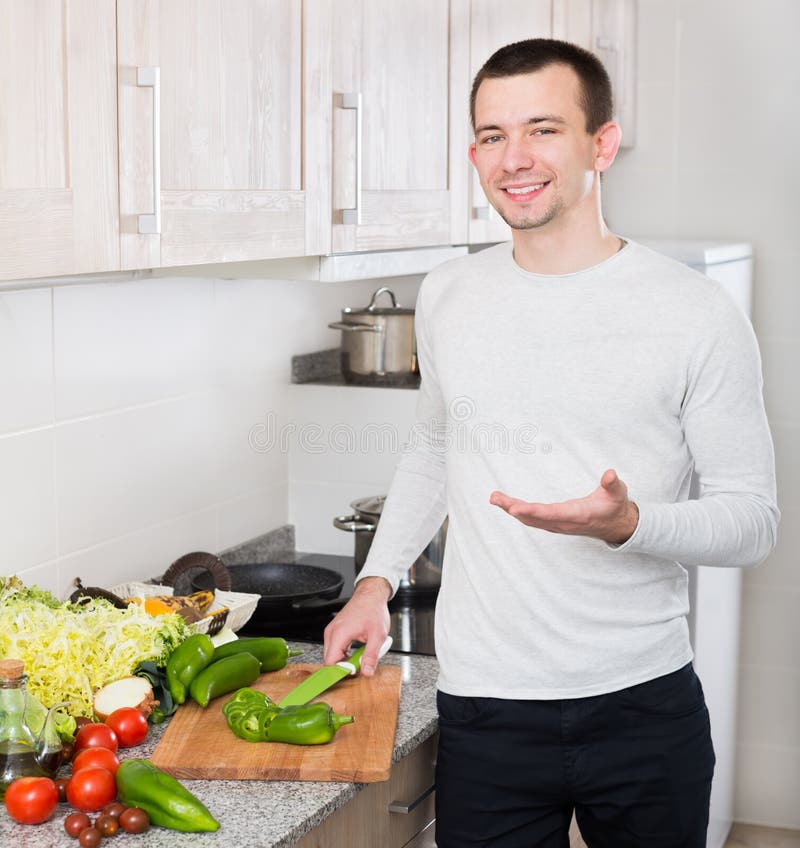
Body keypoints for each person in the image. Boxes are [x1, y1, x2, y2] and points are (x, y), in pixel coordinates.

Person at [323, 38, 779, 847]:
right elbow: (435, 445)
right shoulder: (450, 293)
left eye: (543, 129)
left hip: (642, 703)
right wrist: (374, 581)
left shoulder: (696, 312)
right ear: (474, 154)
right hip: (487, 708)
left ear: (601, 143)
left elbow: (753, 522)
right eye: (493, 136)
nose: (515, 158)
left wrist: (631, 525)